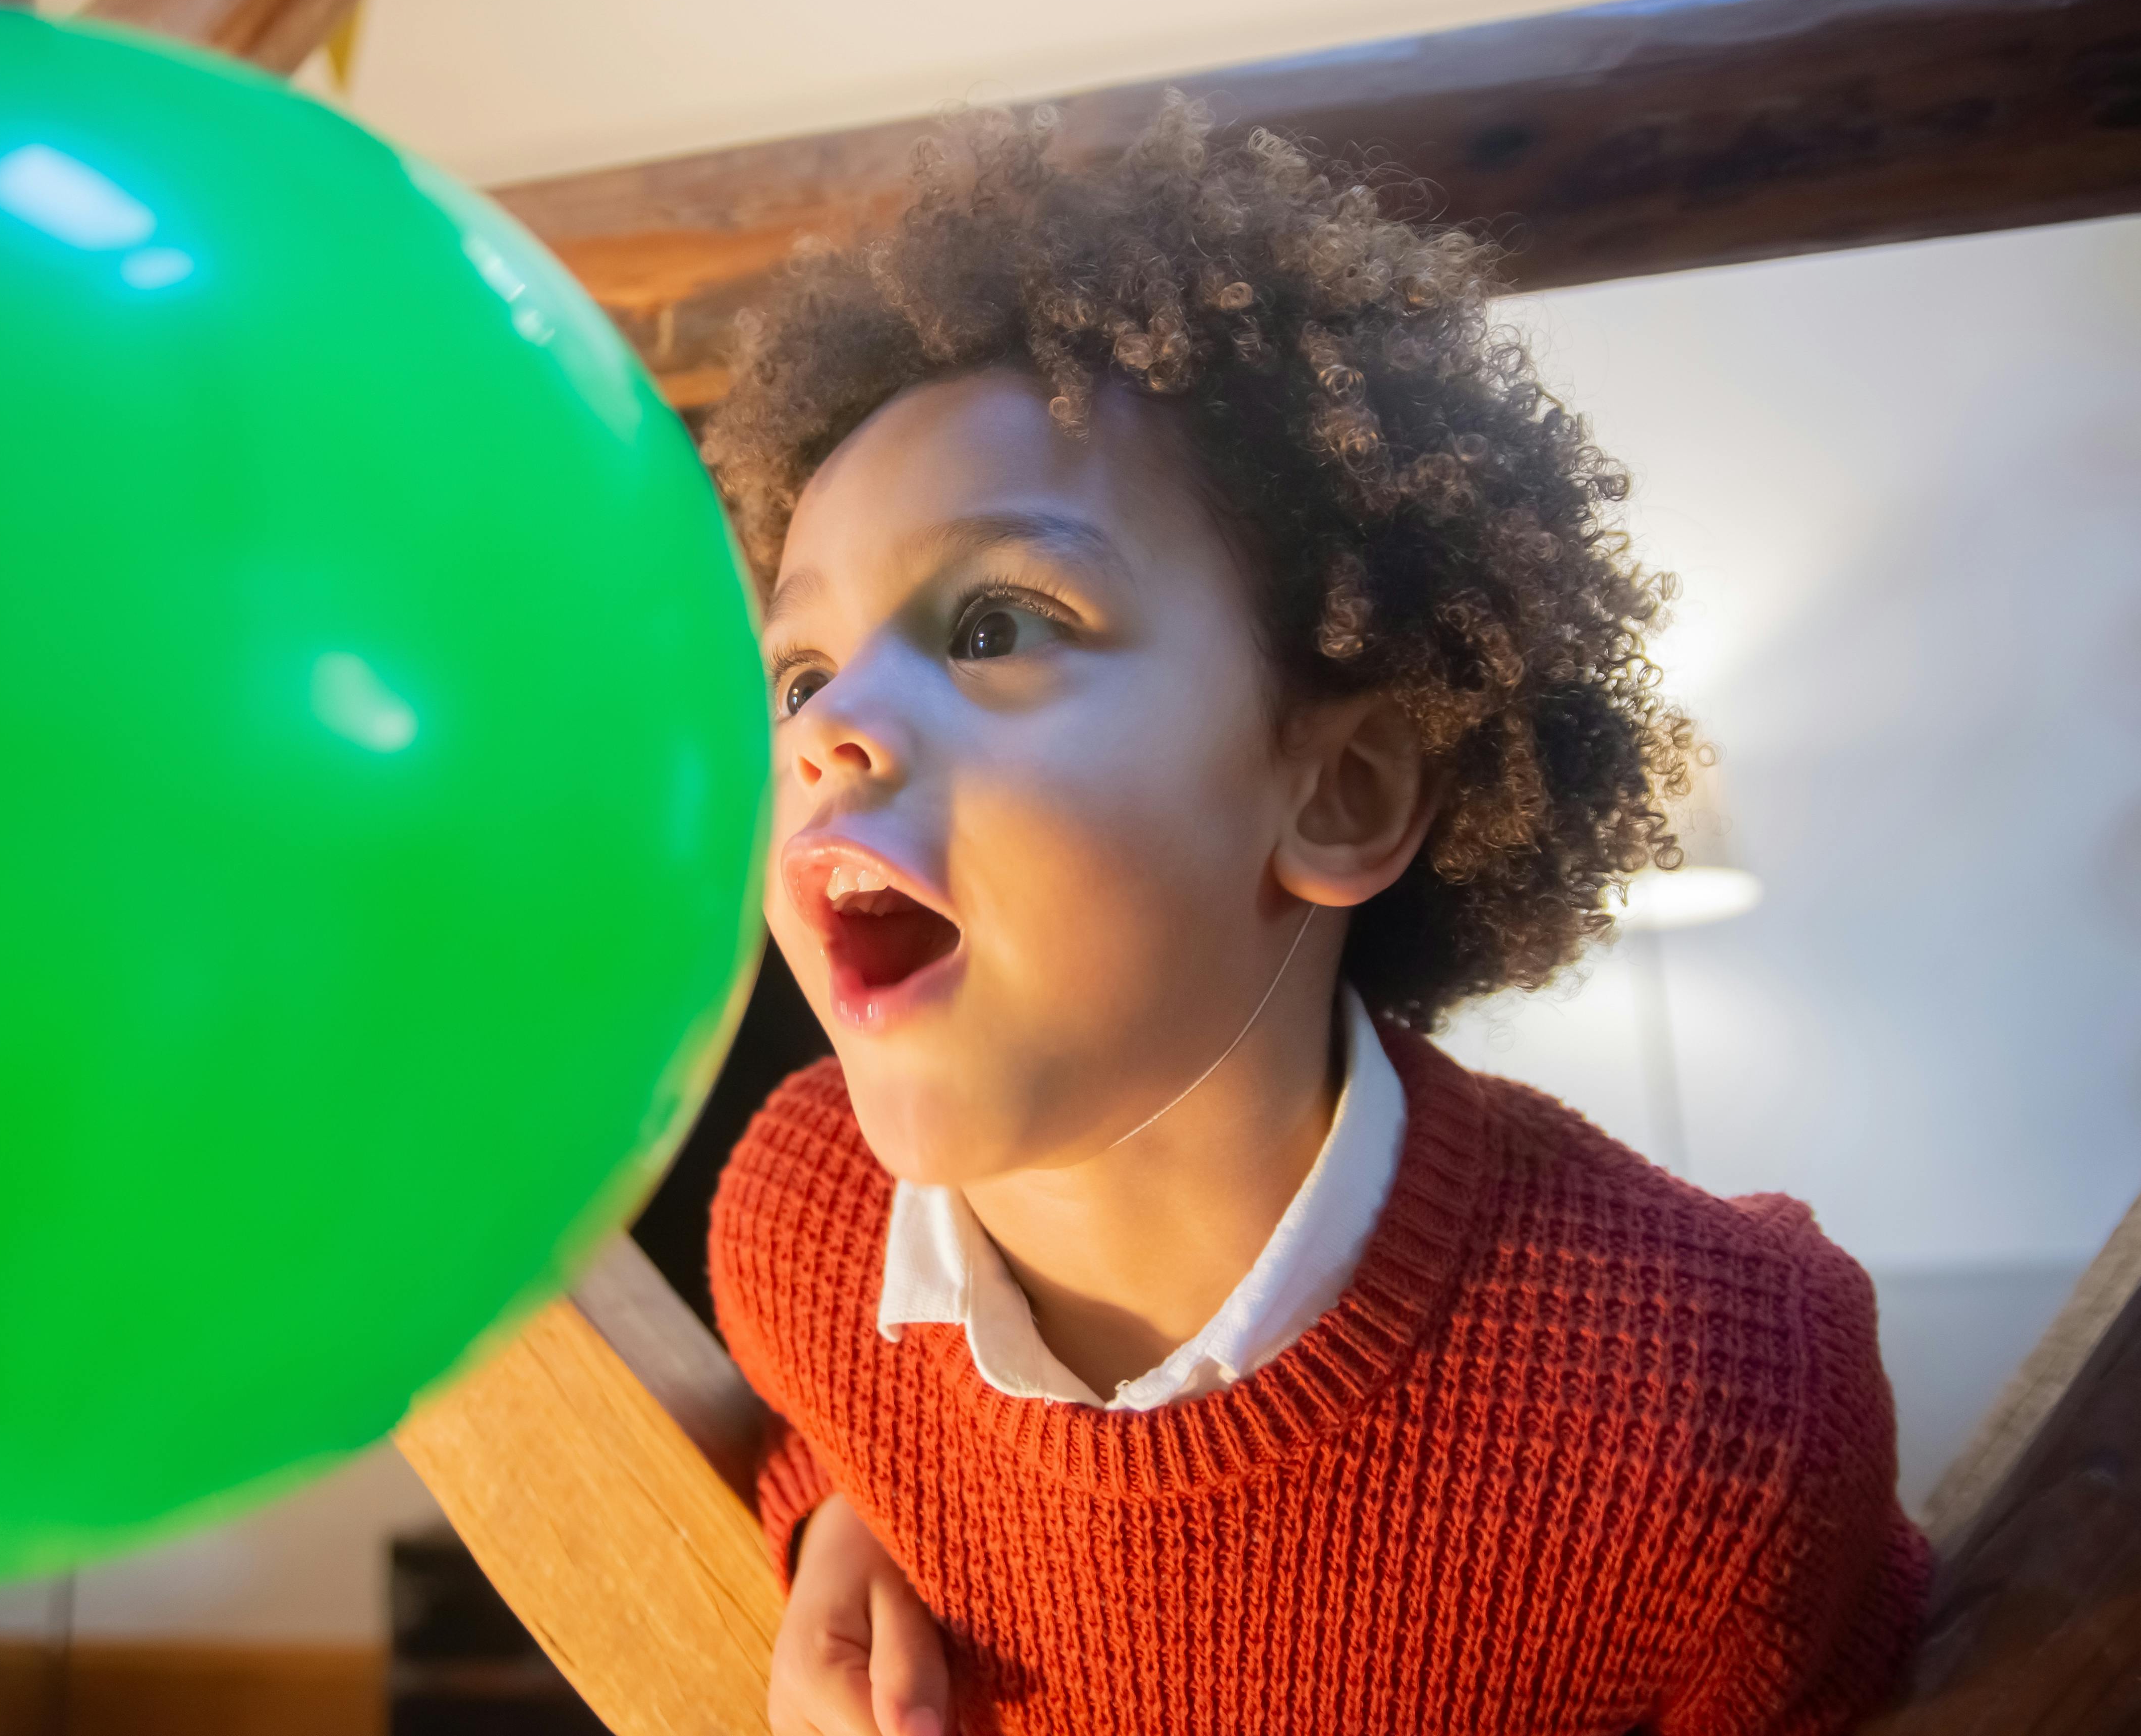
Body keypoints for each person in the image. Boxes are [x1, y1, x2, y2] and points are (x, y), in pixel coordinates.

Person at [701, 100, 1927, 1736]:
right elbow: (846, 1435)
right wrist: (832, 1526)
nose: (825, 724)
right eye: (803, 665)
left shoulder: (1719, 1401)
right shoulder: (793, 1220)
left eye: (996, 621)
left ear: (1338, 792)